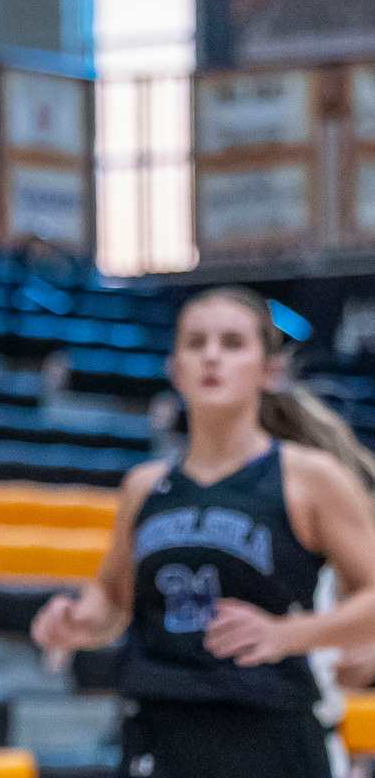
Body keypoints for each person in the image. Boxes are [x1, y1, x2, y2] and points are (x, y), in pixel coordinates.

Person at [33, 288, 375, 778]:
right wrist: (78, 621)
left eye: (232, 343)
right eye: (196, 343)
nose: (211, 356)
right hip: (157, 732)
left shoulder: (311, 478)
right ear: (175, 369)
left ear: (270, 370)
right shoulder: (144, 485)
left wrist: (288, 635)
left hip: (271, 736)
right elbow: (112, 598)